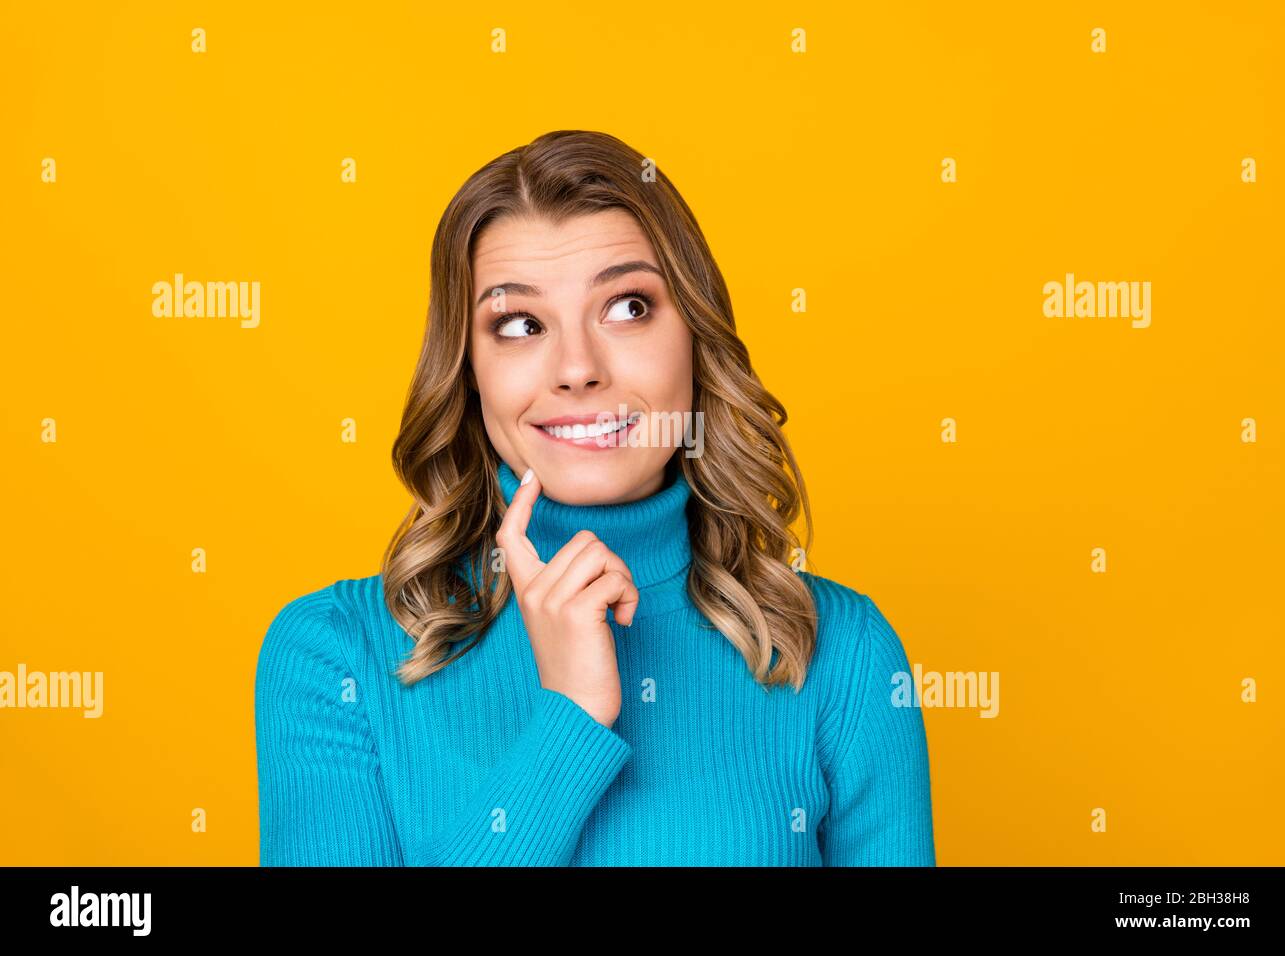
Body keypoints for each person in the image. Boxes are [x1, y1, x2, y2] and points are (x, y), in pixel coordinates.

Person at [255, 130, 936, 866]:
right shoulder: (336, 656)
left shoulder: (841, 653)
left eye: (628, 308)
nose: (577, 369)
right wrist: (569, 721)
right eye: (519, 325)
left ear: (696, 340)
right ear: (470, 373)